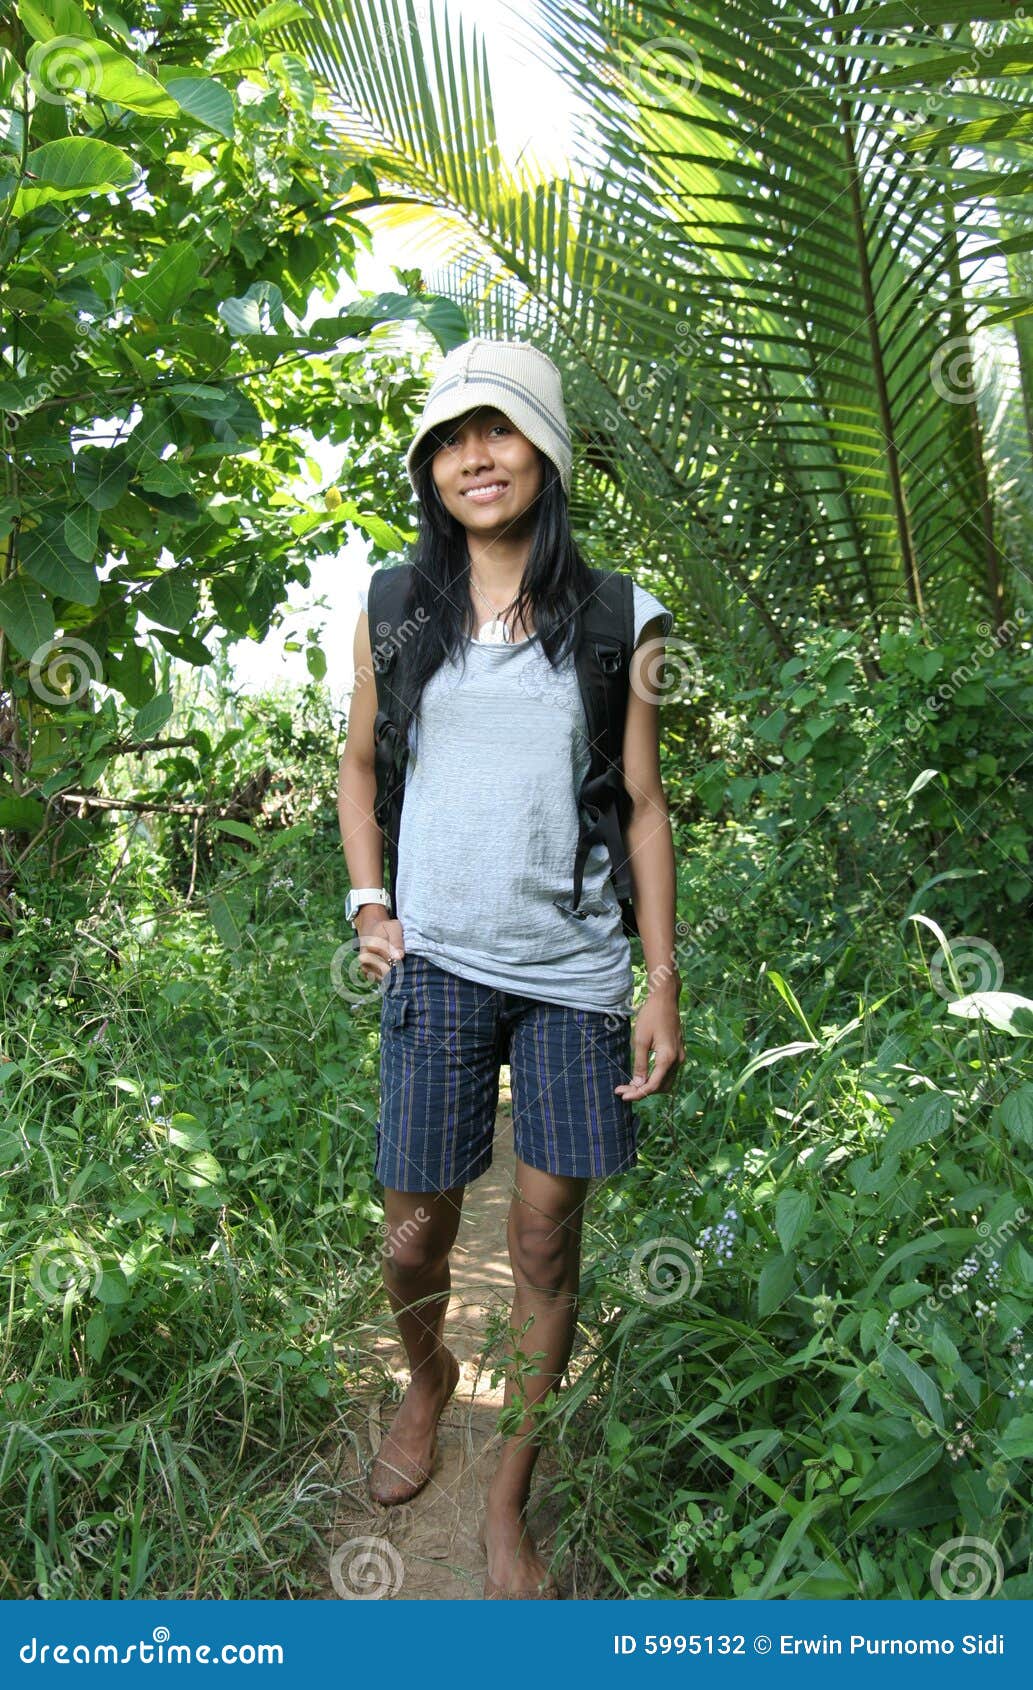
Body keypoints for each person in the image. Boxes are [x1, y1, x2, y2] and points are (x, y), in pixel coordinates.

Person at [337, 337, 686, 1599]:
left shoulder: (620, 618)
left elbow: (643, 806)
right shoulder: (396, 605)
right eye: (450, 439)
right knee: (413, 1238)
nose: (473, 457)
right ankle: (425, 1383)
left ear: (543, 447)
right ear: (430, 467)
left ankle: (506, 1495)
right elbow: (362, 770)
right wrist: (371, 902)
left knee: (544, 1246)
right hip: (436, 967)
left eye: (499, 431)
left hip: (577, 978)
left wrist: (660, 978)